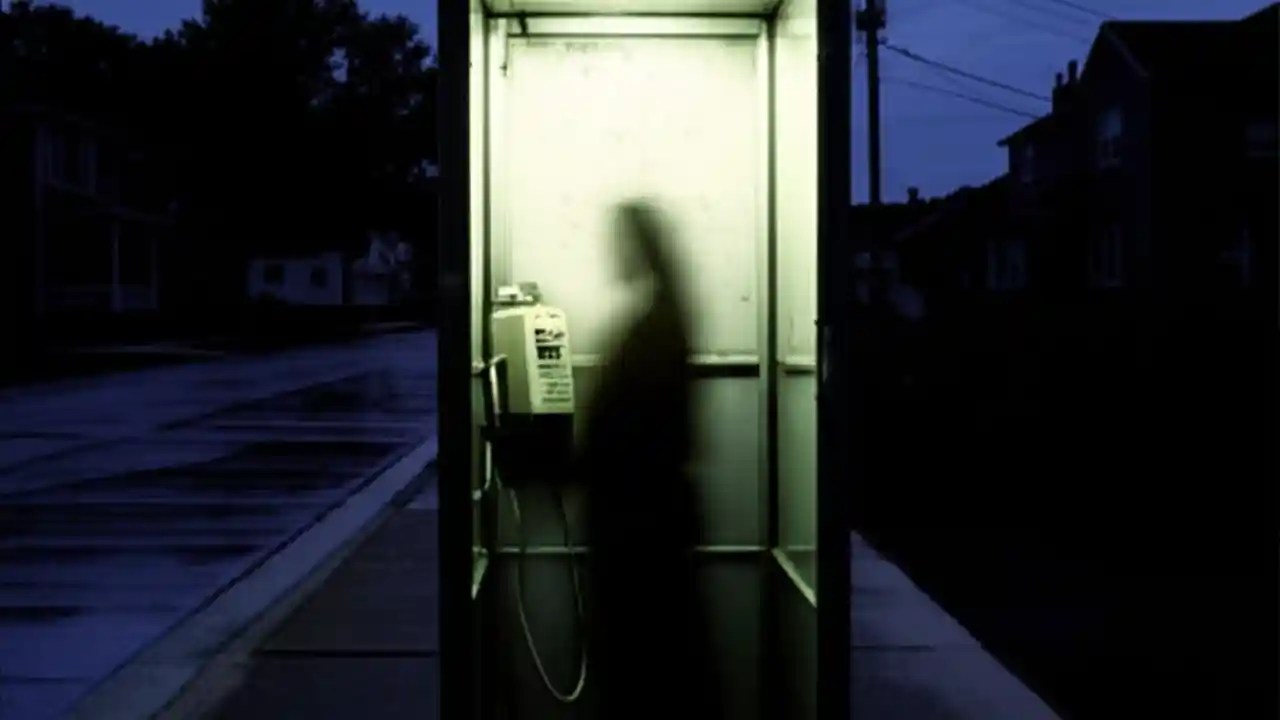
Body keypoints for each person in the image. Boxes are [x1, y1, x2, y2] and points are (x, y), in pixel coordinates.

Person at [576, 199, 720, 719]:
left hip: (639, 525)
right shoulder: (660, 318)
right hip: (649, 519)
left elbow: (633, 433)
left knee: (641, 668)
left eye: (620, 242)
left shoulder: (652, 329)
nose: (612, 253)